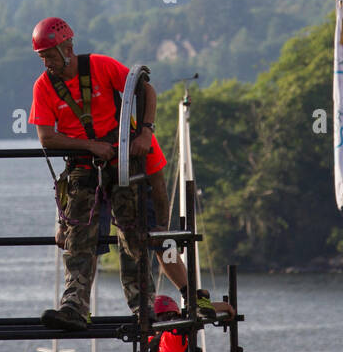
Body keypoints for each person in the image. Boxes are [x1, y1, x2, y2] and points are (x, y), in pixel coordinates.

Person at [28, 16, 215, 328]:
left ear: (67, 48)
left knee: (136, 237)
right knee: (79, 238)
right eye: (42, 57)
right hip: (83, 169)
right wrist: (91, 146)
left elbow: (145, 91)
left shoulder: (101, 67)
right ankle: (74, 306)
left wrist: (144, 131)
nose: (46, 62)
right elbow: (47, 138)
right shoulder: (45, 87)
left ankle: (144, 306)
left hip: (123, 164)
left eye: (49, 55)